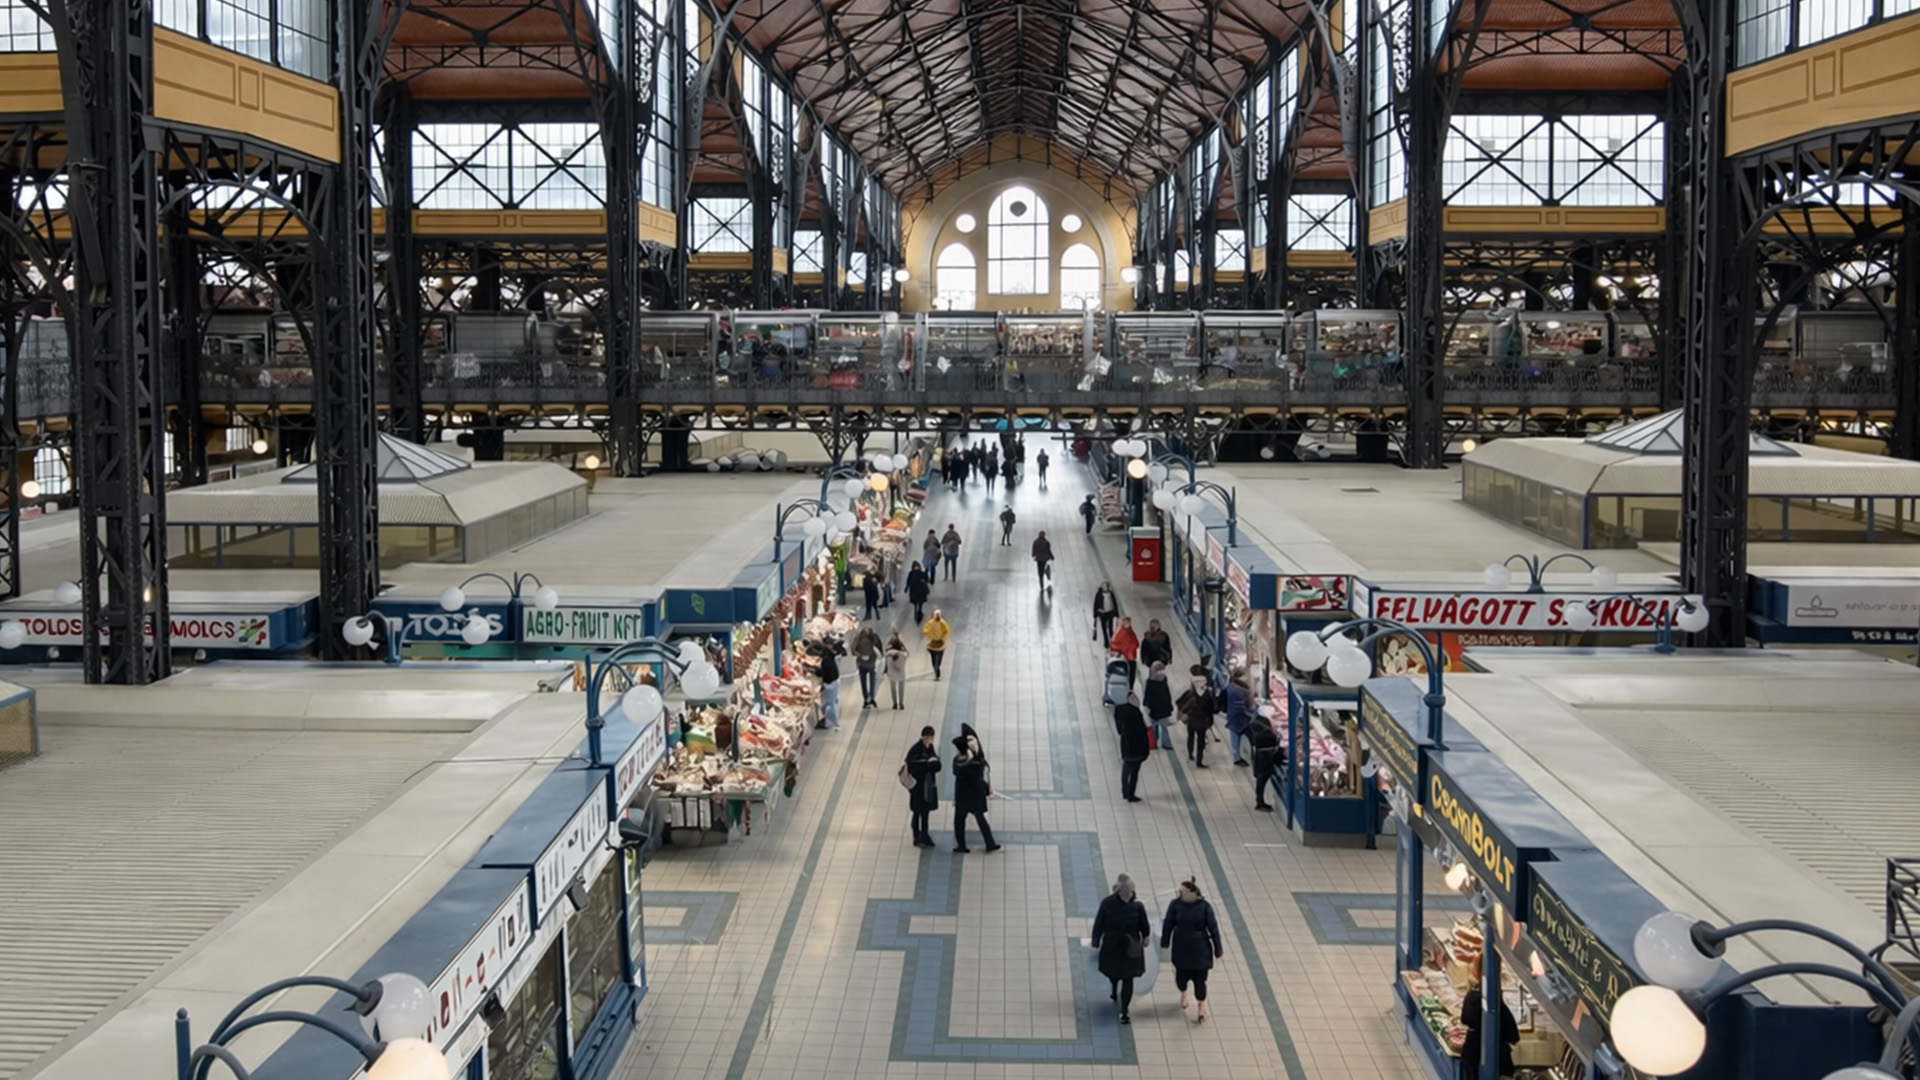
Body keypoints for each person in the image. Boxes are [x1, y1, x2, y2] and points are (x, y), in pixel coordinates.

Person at [1160, 877, 1224, 1024]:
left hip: (1200, 949)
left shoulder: (1205, 907)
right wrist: (1165, 941)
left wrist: (1217, 947)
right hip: (1182, 948)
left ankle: (1201, 1005)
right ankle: (1184, 993)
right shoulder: (1175, 905)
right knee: (1181, 979)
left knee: (1200, 981)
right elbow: (1168, 924)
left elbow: (1213, 928)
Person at [1089, 874, 1150, 1025]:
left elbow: (1144, 924)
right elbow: (1099, 923)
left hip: (1131, 947)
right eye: (1126, 891)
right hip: (1113, 945)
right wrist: (1095, 940)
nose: (1129, 894)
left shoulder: (1138, 906)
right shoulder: (1108, 904)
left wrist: (1146, 937)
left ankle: (1125, 1010)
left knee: (1128, 979)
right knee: (1114, 973)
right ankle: (1114, 986)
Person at [1458, 970, 1520, 1079]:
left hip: (1470, 1053)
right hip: (1497, 1058)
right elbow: (1513, 1034)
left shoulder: (1471, 997)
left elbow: (1464, 1019)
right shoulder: (1495, 1004)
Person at [951, 729, 998, 853]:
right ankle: (990, 843)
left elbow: (957, 771)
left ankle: (961, 845)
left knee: (959, 822)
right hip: (975, 796)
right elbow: (980, 770)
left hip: (962, 797)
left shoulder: (957, 762)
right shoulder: (977, 762)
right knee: (981, 820)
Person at [904, 726, 942, 847]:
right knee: (917, 811)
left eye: (931, 738)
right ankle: (916, 836)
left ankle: (925, 834)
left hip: (927, 784)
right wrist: (926, 763)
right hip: (917, 786)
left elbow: (934, 759)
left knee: (925, 811)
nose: (930, 740)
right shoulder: (916, 749)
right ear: (923, 736)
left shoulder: (929, 747)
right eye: (928, 737)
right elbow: (911, 764)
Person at [1177, 664, 1218, 768]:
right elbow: (1212, 708)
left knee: (1190, 736)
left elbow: (1180, 702)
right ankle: (1199, 761)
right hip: (1202, 720)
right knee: (1200, 739)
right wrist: (1210, 720)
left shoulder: (1190, 691)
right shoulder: (1207, 693)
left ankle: (1190, 754)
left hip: (1191, 719)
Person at [1114, 692, 1149, 803]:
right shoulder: (1136, 715)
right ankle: (1131, 794)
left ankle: (1125, 792)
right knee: (1134, 772)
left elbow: (1119, 730)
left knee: (1126, 769)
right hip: (1137, 748)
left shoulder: (1119, 710)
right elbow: (1142, 732)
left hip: (1125, 746)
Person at [1249, 711, 1280, 811]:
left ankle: (1260, 801)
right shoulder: (1264, 727)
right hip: (1263, 756)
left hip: (1261, 754)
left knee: (1261, 779)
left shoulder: (1259, 722)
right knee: (1261, 779)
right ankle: (1260, 802)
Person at [1223, 669, 1254, 767]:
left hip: (1235, 717)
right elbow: (1241, 707)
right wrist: (1251, 713)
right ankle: (1237, 758)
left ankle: (1239, 756)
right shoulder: (1238, 691)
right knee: (1238, 737)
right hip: (1239, 718)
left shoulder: (1232, 687)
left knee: (1236, 737)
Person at [1143, 661, 1174, 752]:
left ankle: (1153, 741)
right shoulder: (1163, 679)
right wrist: (1169, 706)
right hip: (1163, 707)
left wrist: (1146, 704)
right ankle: (1166, 743)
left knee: (1153, 725)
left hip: (1153, 706)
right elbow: (1167, 693)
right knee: (1164, 727)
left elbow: (1147, 694)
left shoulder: (1149, 681)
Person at [852, 622, 882, 708]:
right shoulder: (873, 637)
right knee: (872, 680)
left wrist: (860, 655)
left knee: (863, 682)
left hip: (862, 663)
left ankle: (865, 699)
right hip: (871, 663)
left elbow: (853, 650)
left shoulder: (858, 638)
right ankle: (872, 697)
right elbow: (878, 648)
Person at [816, 643, 842, 731]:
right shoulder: (831, 658)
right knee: (833, 702)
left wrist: (816, 672)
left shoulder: (825, 662)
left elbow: (823, 673)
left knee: (829, 704)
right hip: (835, 681)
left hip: (830, 684)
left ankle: (829, 722)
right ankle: (832, 719)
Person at [1110, 616, 1140, 688]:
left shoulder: (1129, 632)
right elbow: (1114, 645)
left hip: (1131, 657)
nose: (1128, 624)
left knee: (1131, 674)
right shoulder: (1122, 633)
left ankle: (1130, 687)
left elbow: (1136, 643)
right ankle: (1129, 687)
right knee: (1129, 674)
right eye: (1127, 623)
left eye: (1129, 623)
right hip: (1125, 658)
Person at [884, 632, 911, 709]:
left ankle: (894, 703)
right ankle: (901, 703)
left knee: (893, 687)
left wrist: (889, 642)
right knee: (901, 687)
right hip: (901, 673)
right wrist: (902, 644)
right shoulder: (903, 655)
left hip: (891, 673)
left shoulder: (888, 654)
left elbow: (885, 651)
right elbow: (908, 653)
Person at [922, 608, 951, 680]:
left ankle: (936, 669)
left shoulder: (939, 623)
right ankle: (937, 669)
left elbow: (946, 631)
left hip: (937, 644)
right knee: (936, 659)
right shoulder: (934, 623)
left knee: (935, 660)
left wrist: (931, 636)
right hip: (936, 644)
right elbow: (946, 632)